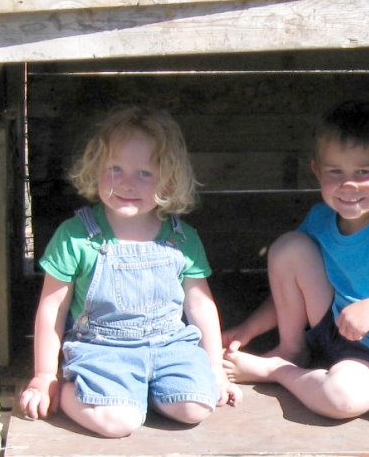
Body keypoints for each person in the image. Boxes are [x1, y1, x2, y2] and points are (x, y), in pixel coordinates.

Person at [223, 99, 369, 419]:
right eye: (335, 172)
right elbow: (290, 287)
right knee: (288, 247)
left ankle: (279, 370)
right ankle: (292, 350)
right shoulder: (321, 217)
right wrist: (247, 329)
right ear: (316, 170)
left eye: (364, 172)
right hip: (330, 326)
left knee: (342, 399)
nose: (348, 185)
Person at [16, 106, 240, 438]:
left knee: (195, 407)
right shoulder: (77, 236)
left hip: (169, 346)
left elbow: (200, 306)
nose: (127, 183)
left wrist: (214, 368)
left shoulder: (181, 238)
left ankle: (142, 390)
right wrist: (45, 375)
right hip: (102, 350)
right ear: (96, 169)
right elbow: (53, 308)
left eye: (144, 174)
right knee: (119, 423)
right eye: (115, 169)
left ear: (169, 178)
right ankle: (73, 390)